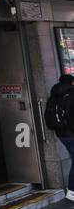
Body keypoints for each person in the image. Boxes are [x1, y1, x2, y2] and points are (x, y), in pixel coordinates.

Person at [45, 73, 74, 202]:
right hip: (71, 133)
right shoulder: (70, 94)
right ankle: (72, 191)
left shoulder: (54, 94)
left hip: (61, 133)